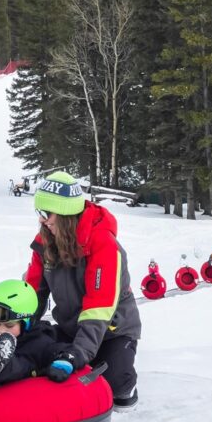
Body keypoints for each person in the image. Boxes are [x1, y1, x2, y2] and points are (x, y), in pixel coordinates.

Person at [24, 171, 141, 409]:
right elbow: (34, 290)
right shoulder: (46, 240)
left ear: (66, 215)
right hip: (71, 327)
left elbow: (99, 309)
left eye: (47, 213)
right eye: (40, 213)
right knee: (34, 353)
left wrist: (77, 353)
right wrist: (20, 324)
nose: (42, 220)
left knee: (116, 388)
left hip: (111, 331)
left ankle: (122, 377)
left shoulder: (104, 245)